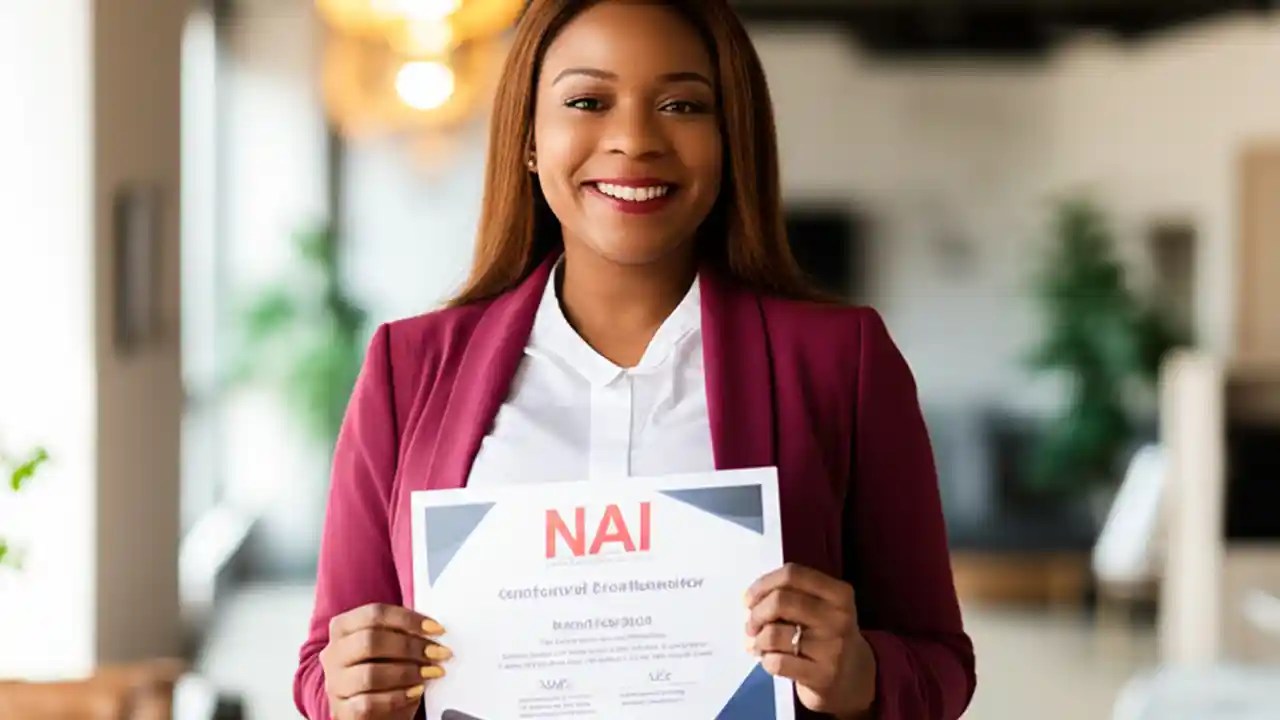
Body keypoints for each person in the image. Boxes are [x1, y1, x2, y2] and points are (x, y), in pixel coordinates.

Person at [293, 0, 976, 718]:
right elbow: (321, 669)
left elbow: (939, 664)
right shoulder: (408, 368)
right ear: (528, 137)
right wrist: (349, 686)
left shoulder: (843, 360)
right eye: (588, 102)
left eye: (682, 105)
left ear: (730, 137)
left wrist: (859, 673)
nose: (634, 140)